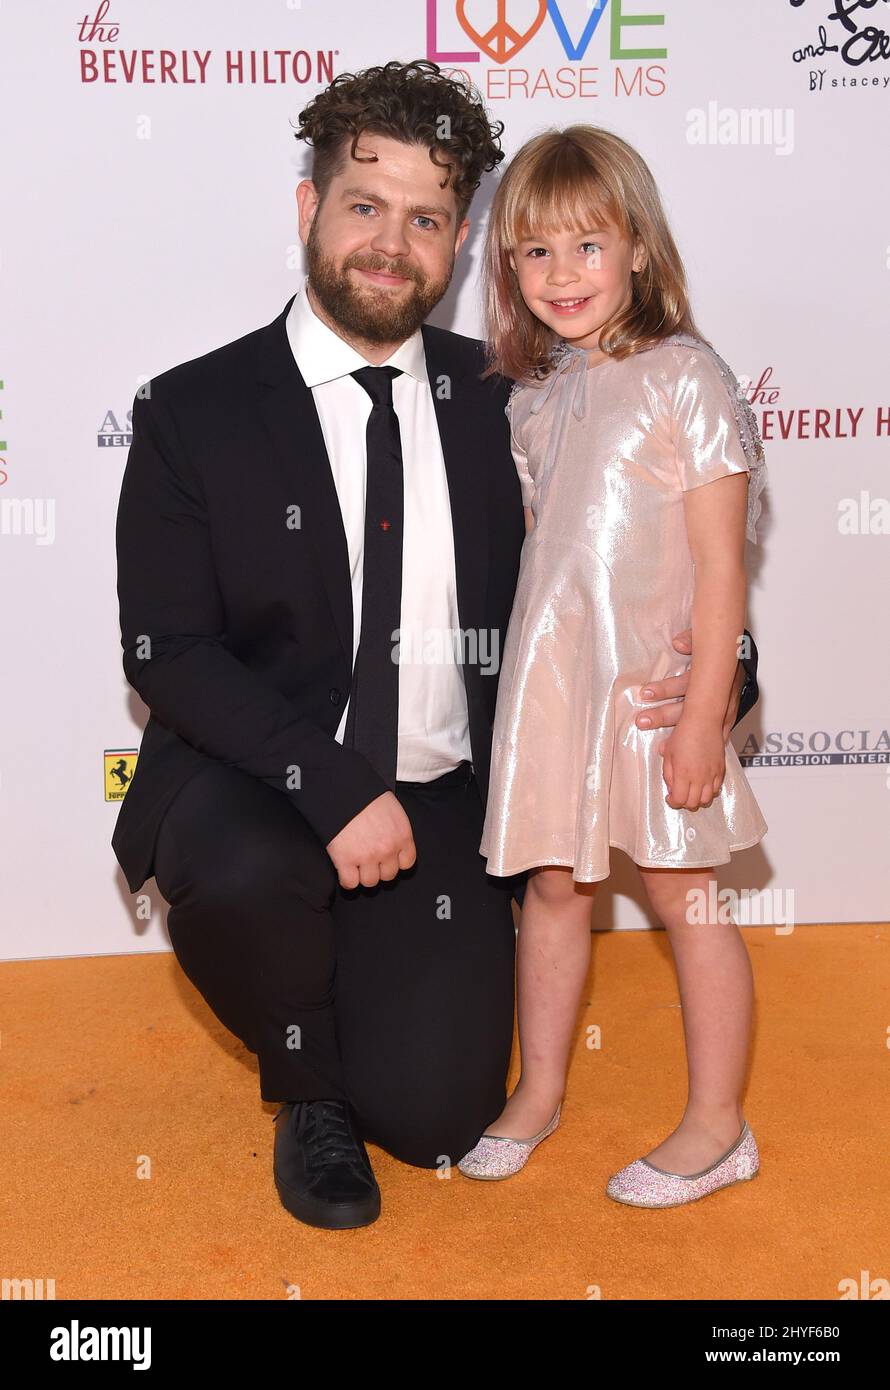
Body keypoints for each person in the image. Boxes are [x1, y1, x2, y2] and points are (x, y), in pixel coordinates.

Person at [112, 66, 761, 1230]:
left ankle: (375, 1002)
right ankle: (305, 1085)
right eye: (364, 204)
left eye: (424, 218)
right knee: (250, 874)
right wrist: (330, 782)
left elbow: (622, 553)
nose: (389, 241)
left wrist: (716, 677)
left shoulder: (504, 391)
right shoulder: (191, 409)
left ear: (459, 243)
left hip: (442, 806)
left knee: (433, 1118)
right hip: (263, 787)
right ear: (307, 210)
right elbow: (166, 650)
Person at [458, 125, 768, 1209]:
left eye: (586, 247)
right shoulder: (532, 399)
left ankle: (717, 1124)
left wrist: (705, 710)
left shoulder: (686, 376)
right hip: (556, 699)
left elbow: (720, 567)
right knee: (550, 887)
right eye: (533, 253)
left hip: (652, 699)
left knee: (685, 896)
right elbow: (553, 565)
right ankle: (538, 1088)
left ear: (635, 245)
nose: (561, 276)